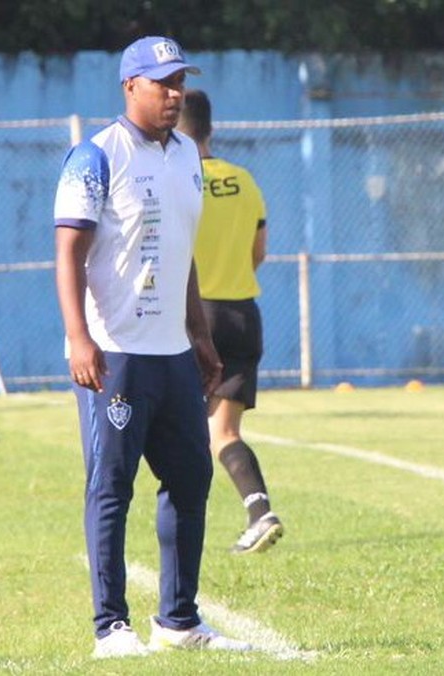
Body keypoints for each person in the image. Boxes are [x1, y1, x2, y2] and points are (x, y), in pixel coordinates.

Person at [53, 36, 250, 658]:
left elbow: (180, 252)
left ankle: (178, 621)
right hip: (116, 353)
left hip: (172, 352)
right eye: (162, 82)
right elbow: (68, 254)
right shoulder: (95, 156)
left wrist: (199, 333)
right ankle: (110, 627)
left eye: (180, 82)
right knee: (112, 485)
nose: (175, 93)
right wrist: (80, 337)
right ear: (129, 87)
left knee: (192, 479)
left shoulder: (187, 153)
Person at [177, 90, 283, 554]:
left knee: (179, 433)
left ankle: (182, 529)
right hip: (242, 314)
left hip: (193, 316)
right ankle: (260, 512)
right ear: (210, 129)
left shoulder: (177, 179)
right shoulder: (243, 179)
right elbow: (258, 252)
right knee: (224, 433)